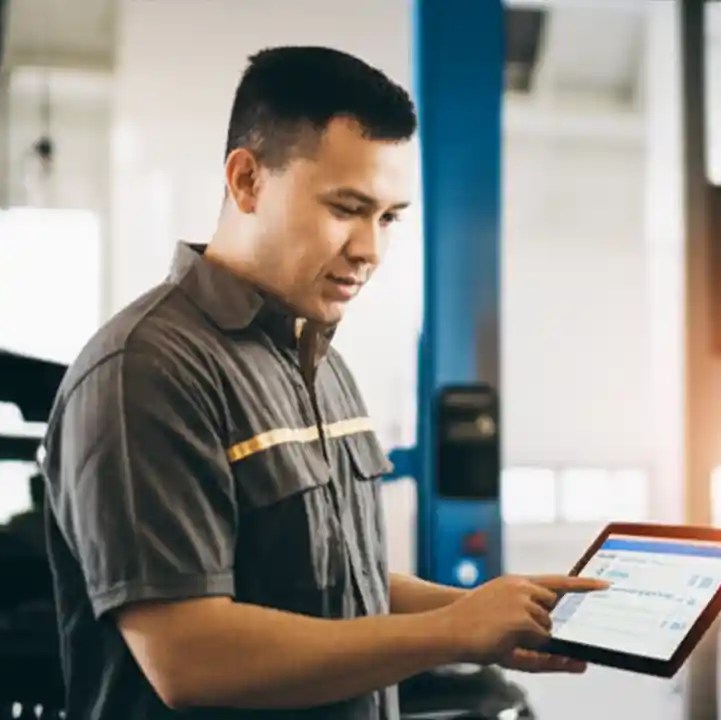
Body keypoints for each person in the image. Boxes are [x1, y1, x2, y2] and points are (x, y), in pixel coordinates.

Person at [41, 46, 605, 720]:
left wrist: (494, 615)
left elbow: (339, 584)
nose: (371, 249)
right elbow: (189, 654)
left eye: (389, 217)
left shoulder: (319, 361)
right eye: (346, 208)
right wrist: (452, 631)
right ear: (248, 180)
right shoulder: (146, 370)